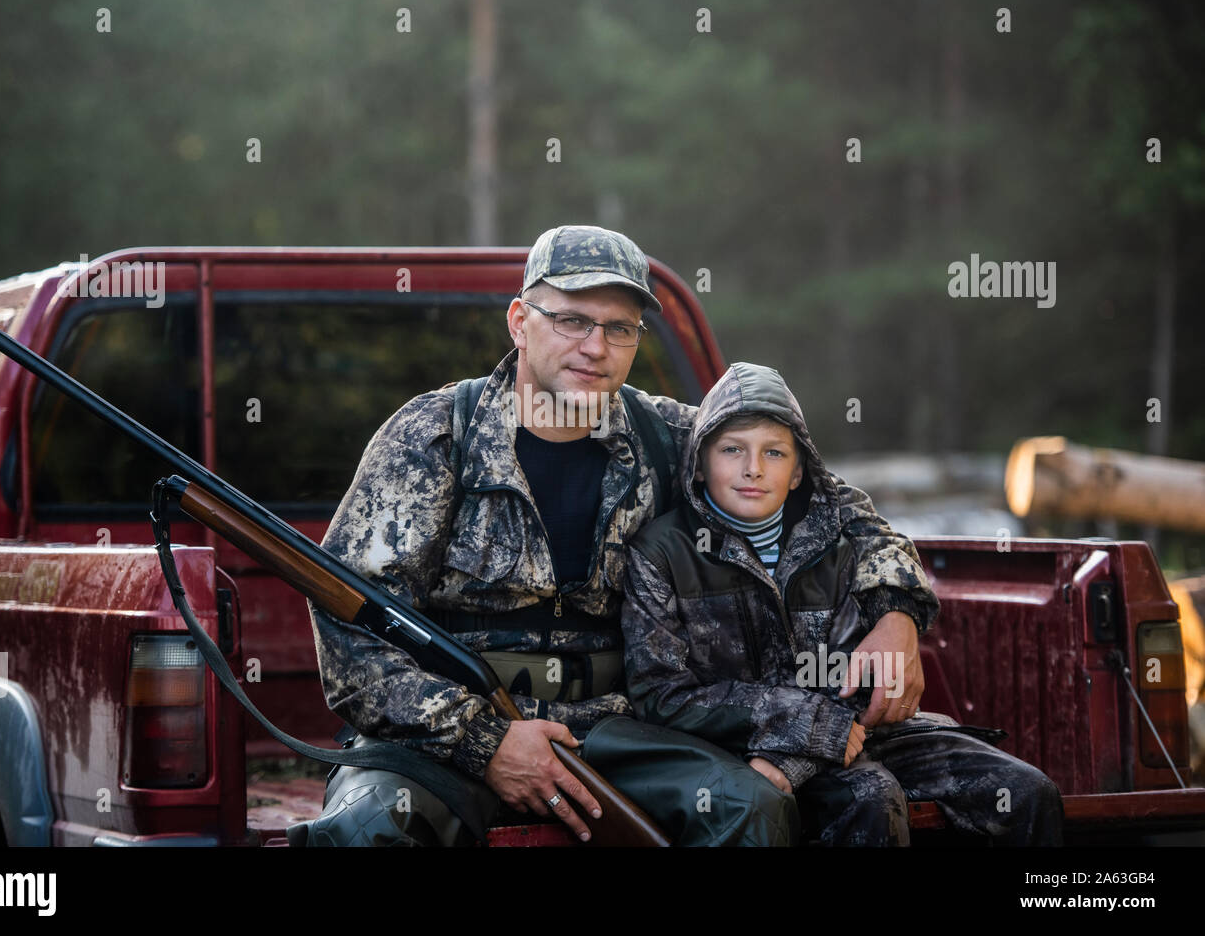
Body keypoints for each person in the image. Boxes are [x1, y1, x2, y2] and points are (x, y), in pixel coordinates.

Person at [299, 224, 939, 846]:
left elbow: (836, 508)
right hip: (443, 729)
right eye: (572, 320)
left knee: (749, 807)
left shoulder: (673, 437)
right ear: (521, 321)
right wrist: (485, 743)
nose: (595, 347)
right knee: (371, 827)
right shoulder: (436, 436)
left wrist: (896, 613)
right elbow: (351, 629)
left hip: (616, 726)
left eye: (620, 329)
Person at [620, 360, 1064, 844]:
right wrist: (802, 728)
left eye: (774, 452)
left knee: (1025, 791)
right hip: (740, 749)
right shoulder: (660, 552)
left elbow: (865, 674)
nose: (753, 468)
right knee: (869, 799)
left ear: (797, 472)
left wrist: (807, 747)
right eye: (732, 450)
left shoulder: (839, 537)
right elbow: (660, 695)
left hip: (862, 733)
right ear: (700, 464)